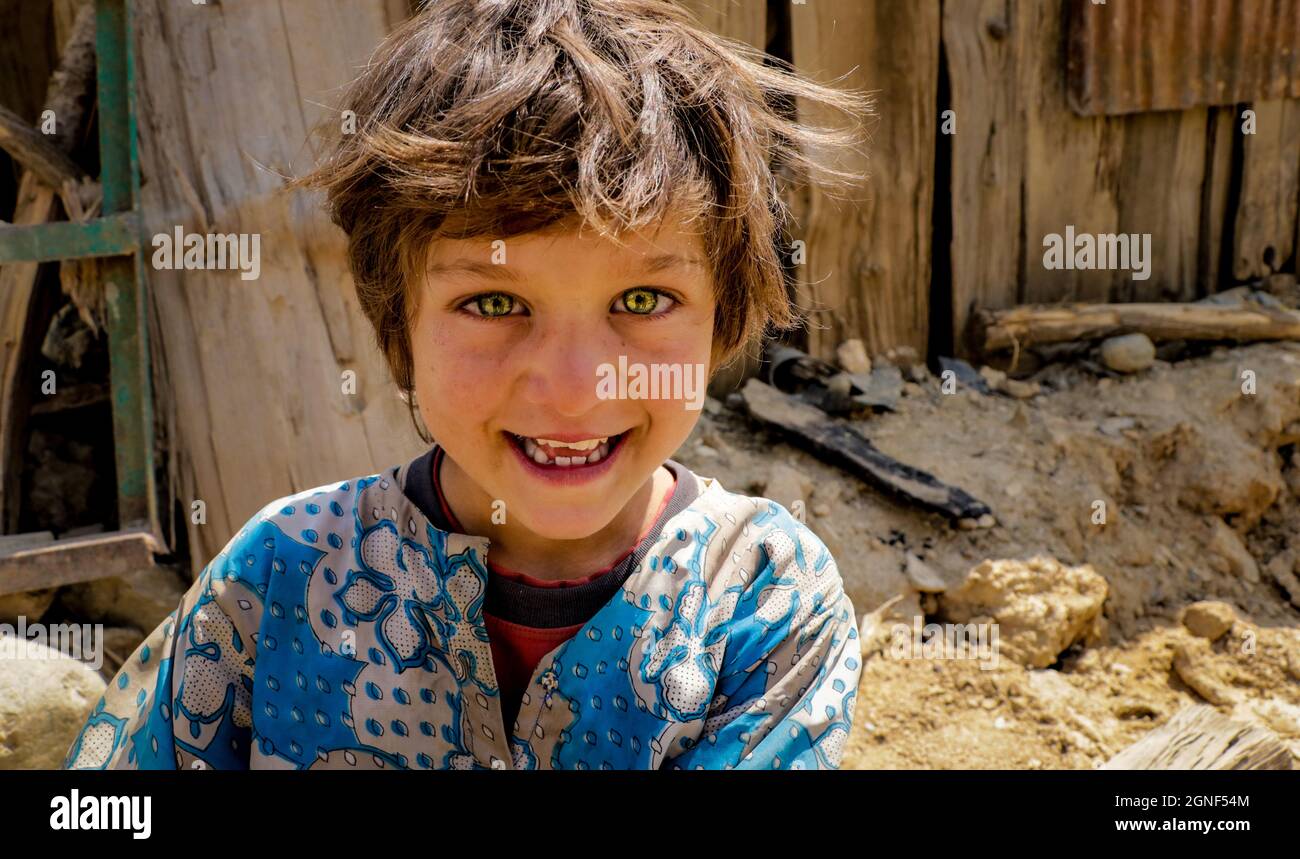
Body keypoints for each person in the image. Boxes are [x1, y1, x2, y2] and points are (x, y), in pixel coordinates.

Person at [64, 0, 870, 771]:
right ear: (399, 320)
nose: (574, 390)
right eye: (493, 302)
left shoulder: (762, 599)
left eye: (642, 300)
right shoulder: (278, 575)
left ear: (723, 316)